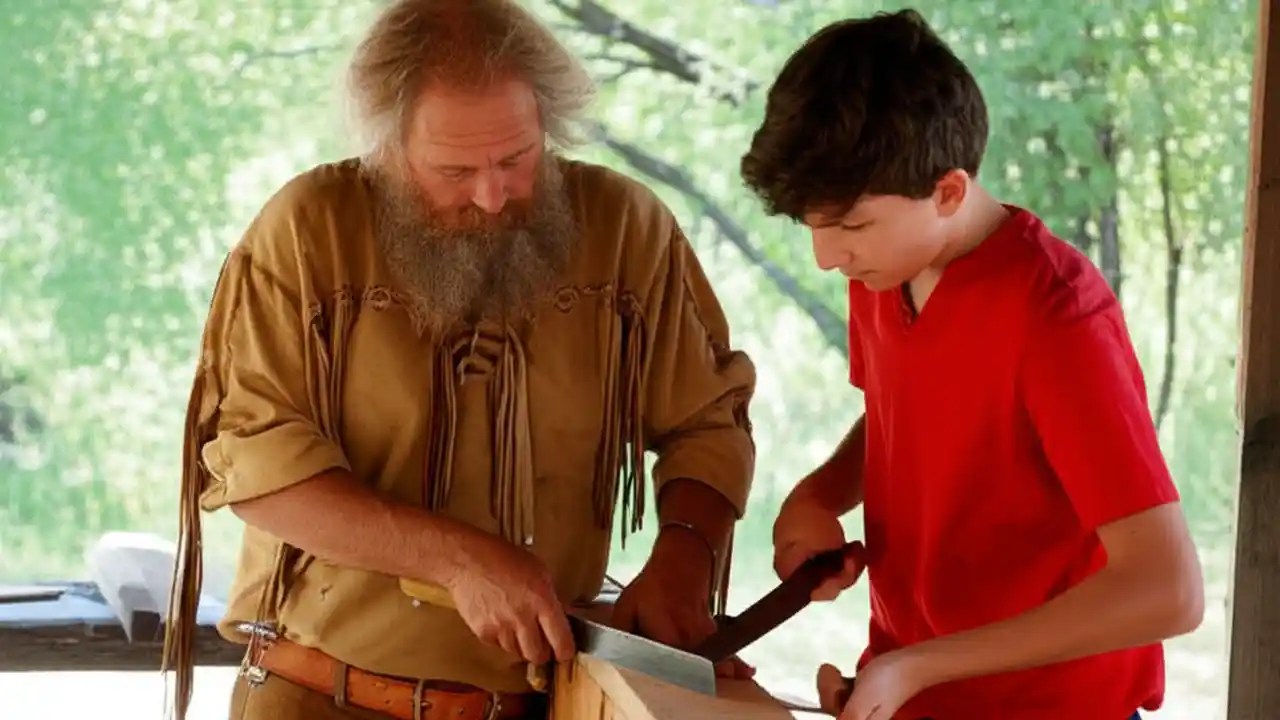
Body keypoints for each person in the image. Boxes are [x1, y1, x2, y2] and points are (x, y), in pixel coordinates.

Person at [162, 2, 758, 719]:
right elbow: (255, 468)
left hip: (549, 701)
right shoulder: (308, 231)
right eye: (452, 169)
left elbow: (709, 423)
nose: (492, 195)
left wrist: (684, 557)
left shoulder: (628, 230)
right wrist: (460, 559)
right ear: (387, 145)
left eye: (517, 158)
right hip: (318, 694)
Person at [743, 10, 1205, 720]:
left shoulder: (1056, 316)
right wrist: (822, 493)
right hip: (918, 693)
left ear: (949, 191)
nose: (826, 257)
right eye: (812, 226)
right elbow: (905, 410)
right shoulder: (881, 271)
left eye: (850, 226)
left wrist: (917, 668)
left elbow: (1167, 589)